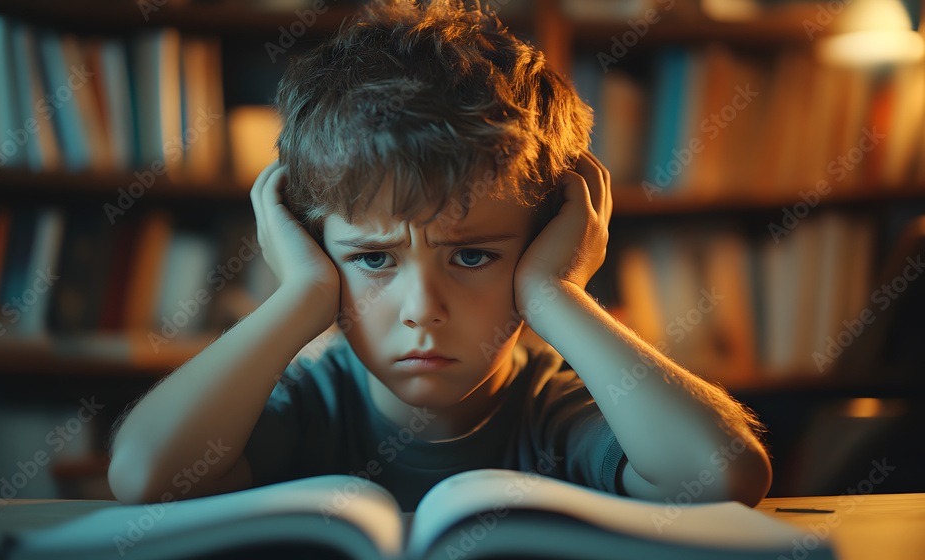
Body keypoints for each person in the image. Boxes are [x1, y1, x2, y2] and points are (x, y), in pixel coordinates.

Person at [107, 0, 772, 511]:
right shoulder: (312, 403)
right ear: (313, 247)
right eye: (372, 260)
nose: (423, 312)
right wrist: (300, 295)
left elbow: (719, 475)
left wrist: (553, 292)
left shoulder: (554, 409)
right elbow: (144, 477)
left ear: (546, 242)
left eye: (474, 256)